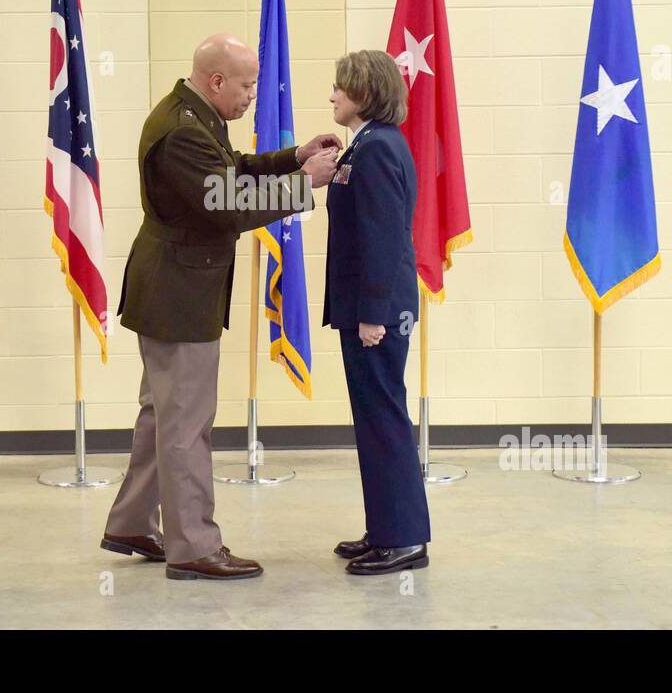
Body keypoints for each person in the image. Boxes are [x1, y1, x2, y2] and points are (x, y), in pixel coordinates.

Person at [102, 34, 341, 580]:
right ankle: (193, 547)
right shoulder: (183, 130)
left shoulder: (191, 115)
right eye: (247, 84)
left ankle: (132, 521)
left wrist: (292, 157)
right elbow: (226, 203)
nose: (253, 94)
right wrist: (303, 184)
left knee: (162, 417)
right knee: (187, 424)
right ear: (216, 82)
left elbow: (229, 168)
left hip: (173, 288)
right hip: (177, 294)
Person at [323, 50, 431, 574]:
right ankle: (386, 529)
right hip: (365, 307)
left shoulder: (379, 150)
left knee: (385, 418)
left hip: (377, 313)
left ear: (363, 92)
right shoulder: (365, 145)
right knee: (373, 419)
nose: (333, 96)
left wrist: (372, 314)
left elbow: (384, 239)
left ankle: (405, 538)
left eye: (340, 88)